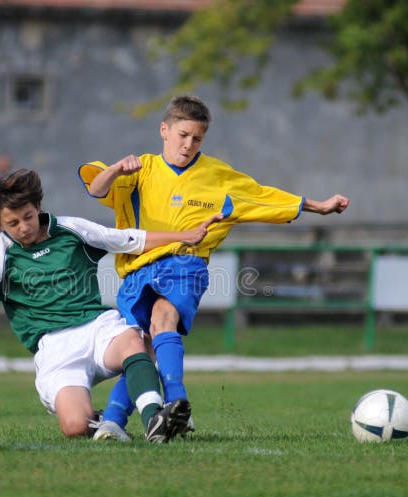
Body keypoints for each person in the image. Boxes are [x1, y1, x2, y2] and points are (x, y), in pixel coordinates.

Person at [78, 95, 350, 441]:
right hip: (136, 271)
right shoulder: (140, 170)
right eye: (182, 135)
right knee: (139, 347)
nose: (188, 144)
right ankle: (115, 420)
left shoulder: (217, 176)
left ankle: (177, 403)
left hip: (185, 265)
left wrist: (319, 206)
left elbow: (264, 197)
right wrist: (116, 168)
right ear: (164, 130)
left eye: (197, 139)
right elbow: (95, 187)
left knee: (163, 316)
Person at [0, 169, 222, 441]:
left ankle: (155, 419)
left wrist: (184, 236)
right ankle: (101, 421)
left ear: (37, 207)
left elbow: (128, 239)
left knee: (134, 341)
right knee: (74, 426)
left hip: (96, 328)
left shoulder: (71, 229)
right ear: (0, 225)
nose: (23, 227)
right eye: (12, 223)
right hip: (55, 349)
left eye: (27, 217)